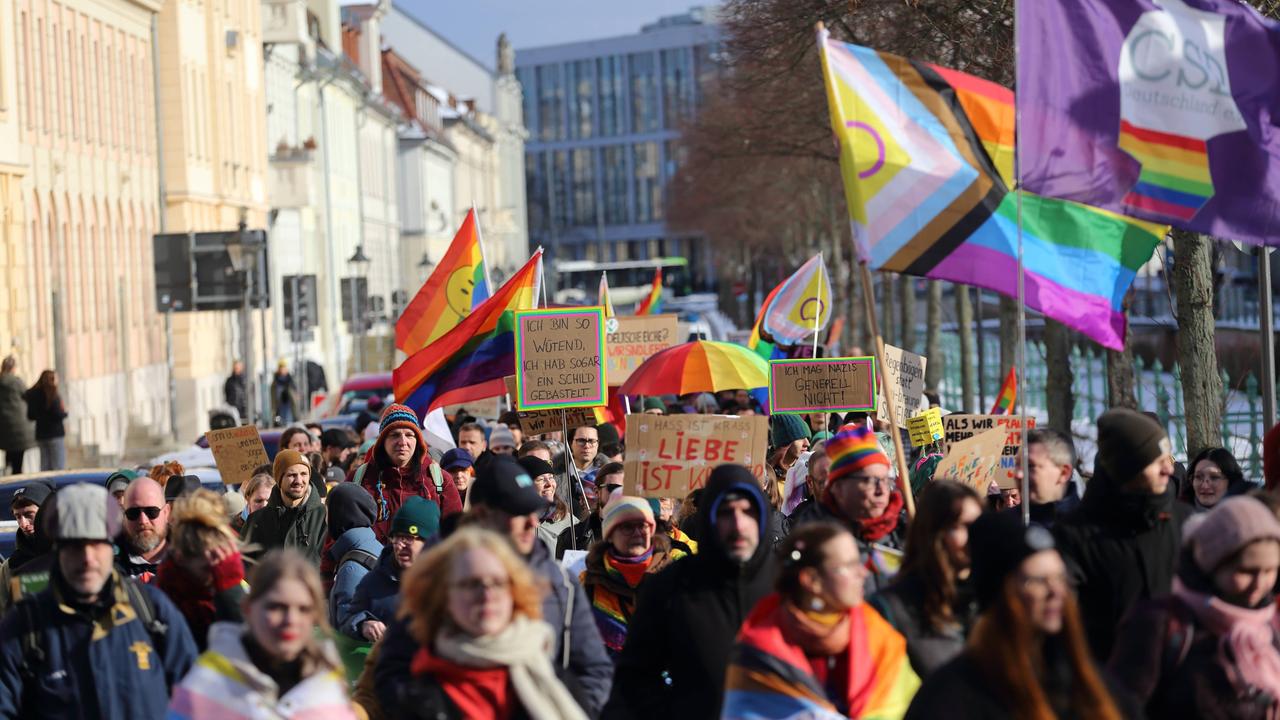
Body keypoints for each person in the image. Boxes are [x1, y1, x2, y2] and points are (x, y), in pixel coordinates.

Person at [0, 483, 198, 719]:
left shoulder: (152, 611)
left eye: (96, 544)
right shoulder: (23, 628)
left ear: (111, 546)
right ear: (57, 551)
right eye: (75, 546)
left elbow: (195, 701)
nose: (87, 558)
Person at [905, 511, 1127, 719]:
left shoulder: (1088, 683)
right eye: (1038, 581)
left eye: (1060, 577)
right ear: (1001, 594)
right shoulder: (953, 695)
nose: (1055, 592)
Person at [603, 464, 778, 719]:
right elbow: (634, 682)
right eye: (726, 513)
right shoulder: (671, 587)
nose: (738, 525)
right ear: (709, 518)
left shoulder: (790, 585)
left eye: (748, 512)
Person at [447, 455, 614, 714]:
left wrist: (572, 709)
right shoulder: (442, 581)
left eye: (532, 511)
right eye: (518, 512)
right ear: (483, 516)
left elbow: (594, 668)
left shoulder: (561, 582)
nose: (532, 522)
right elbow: (395, 666)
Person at [723, 522, 919, 719]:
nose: (863, 573)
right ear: (812, 580)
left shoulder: (879, 636)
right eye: (849, 566)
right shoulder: (759, 653)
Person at [1109, 496, 1280, 718]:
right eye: (1246, 571)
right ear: (1212, 563)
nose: (1260, 584)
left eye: (1270, 571)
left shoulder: (1269, 626)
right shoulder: (1158, 623)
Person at [391, 527, 588, 719]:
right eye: (470, 584)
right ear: (443, 596)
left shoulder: (551, 677)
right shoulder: (416, 692)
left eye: (498, 582)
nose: (486, 594)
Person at [1053, 407, 1191, 660]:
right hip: (1109, 682)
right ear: (1130, 468)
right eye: (1157, 461)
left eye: (1168, 460)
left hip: (1178, 684)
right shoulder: (1075, 536)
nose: (1169, 470)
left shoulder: (1185, 522)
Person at [166, 549, 358, 719]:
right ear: (248, 608)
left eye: (304, 609)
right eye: (276, 607)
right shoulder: (205, 687)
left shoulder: (328, 687)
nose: (291, 619)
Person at [869, 481, 983, 678]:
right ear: (934, 532)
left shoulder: (991, 597)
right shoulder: (890, 609)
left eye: (980, 525)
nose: (976, 535)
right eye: (963, 527)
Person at [787, 423, 908, 594]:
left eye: (885, 480)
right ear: (839, 486)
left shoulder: (904, 531)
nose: (881, 491)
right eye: (869, 481)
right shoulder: (811, 539)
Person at [581, 496, 684, 660]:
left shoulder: (676, 575)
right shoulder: (588, 583)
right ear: (610, 534)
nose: (637, 533)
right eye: (627, 527)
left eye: (643, 526)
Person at [351, 404, 462, 542]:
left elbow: (456, 536)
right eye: (395, 435)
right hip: (372, 562)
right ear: (382, 441)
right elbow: (337, 539)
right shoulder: (360, 479)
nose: (403, 442)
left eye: (409, 435)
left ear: (418, 441)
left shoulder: (440, 480)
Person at [155, 489, 247, 651]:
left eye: (221, 561)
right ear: (181, 558)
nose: (216, 569)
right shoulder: (162, 599)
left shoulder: (234, 585)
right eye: (207, 567)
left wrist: (230, 587)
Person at [342, 497, 439, 642]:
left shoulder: (450, 583)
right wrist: (363, 624)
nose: (400, 546)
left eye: (408, 538)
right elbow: (347, 621)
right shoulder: (373, 581)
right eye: (397, 537)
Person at [240, 450, 328, 565]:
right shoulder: (257, 520)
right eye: (292, 475)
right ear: (279, 479)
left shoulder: (325, 517)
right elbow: (243, 565)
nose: (299, 481)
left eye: (303, 474)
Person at [325, 483, 382, 629]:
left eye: (327, 512)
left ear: (338, 515)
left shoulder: (351, 567)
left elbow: (346, 619)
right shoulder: (377, 547)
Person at [1007, 428, 1081, 527]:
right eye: (1016, 464)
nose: (1018, 474)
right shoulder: (999, 526)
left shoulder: (1089, 528)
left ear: (1064, 473)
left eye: (1030, 466)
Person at [0, 480, 55, 612]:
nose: (23, 524)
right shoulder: (10, 567)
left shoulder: (71, 556)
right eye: (18, 517)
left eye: (29, 515)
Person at [557, 461, 623, 559]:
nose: (620, 493)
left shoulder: (642, 532)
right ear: (597, 492)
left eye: (626, 488)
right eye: (613, 488)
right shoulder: (572, 536)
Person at [116, 476, 172, 583]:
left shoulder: (190, 560)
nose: (143, 520)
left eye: (151, 511)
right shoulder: (108, 564)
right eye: (133, 513)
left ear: (166, 512)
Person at [522, 454, 572, 554]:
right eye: (540, 479)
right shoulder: (513, 522)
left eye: (551, 477)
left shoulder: (568, 520)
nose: (549, 484)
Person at [1180, 446, 1251, 513]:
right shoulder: (1177, 517)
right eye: (1198, 477)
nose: (1205, 486)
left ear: (1230, 480)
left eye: (1214, 477)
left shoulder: (1248, 515)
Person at [23, 369, 67, 471]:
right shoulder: (52, 392)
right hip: (55, 434)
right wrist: (65, 412)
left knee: (45, 466)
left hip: (41, 435)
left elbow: (30, 416)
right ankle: (57, 487)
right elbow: (57, 413)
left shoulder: (32, 395)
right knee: (58, 466)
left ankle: (46, 486)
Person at [0, 356, 33, 475]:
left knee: (8, 451)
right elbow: (27, 395)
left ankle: (8, 470)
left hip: (3, 426)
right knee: (18, 457)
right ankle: (16, 477)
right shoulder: (17, 382)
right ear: (13, 368)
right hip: (19, 427)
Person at [768, 414, 812, 489]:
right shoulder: (767, 476)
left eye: (807, 438)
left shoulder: (808, 471)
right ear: (785, 442)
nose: (807, 443)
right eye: (800, 438)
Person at [271, 361, 299, 426]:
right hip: (280, 406)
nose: (283, 370)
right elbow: (273, 397)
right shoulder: (275, 382)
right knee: (280, 423)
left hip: (289, 406)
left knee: (290, 422)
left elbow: (295, 392)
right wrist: (274, 409)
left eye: (284, 368)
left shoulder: (290, 380)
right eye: (281, 368)